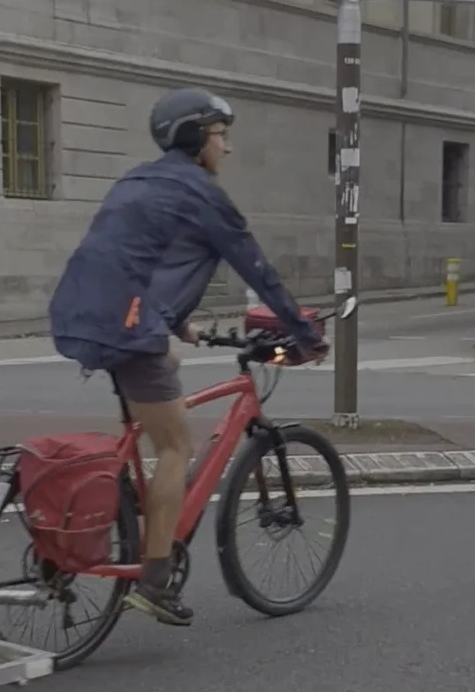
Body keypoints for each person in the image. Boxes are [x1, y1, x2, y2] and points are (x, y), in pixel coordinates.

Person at [49, 87, 327, 626]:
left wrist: (178, 325)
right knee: (177, 444)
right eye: (221, 136)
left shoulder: (137, 179)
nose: (226, 149)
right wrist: (304, 334)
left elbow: (136, 258)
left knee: (163, 378)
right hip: (127, 329)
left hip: (82, 317)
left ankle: (131, 520)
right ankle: (154, 581)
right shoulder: (200, 192)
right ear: (198, 137)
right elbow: (257, 269)